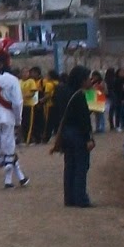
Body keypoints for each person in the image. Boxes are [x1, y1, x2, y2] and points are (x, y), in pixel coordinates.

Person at [0, 52, 30, 188]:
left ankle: (12, 179)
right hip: (7, 114)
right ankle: (9, 165)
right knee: (8, 143)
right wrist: (18, 120)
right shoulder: (13, 79)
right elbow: (18, 102)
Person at [53, 65, 95, 207]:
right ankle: (81, 198)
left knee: (69, 165)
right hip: (77, 134)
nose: (90, 82)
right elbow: (83, 119)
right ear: (81, 80)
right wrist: (89, 138)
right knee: (81, 166)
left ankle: (69, 198)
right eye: (88, 79)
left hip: (65, 132)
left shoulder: (61, 91)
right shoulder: (78, 95)